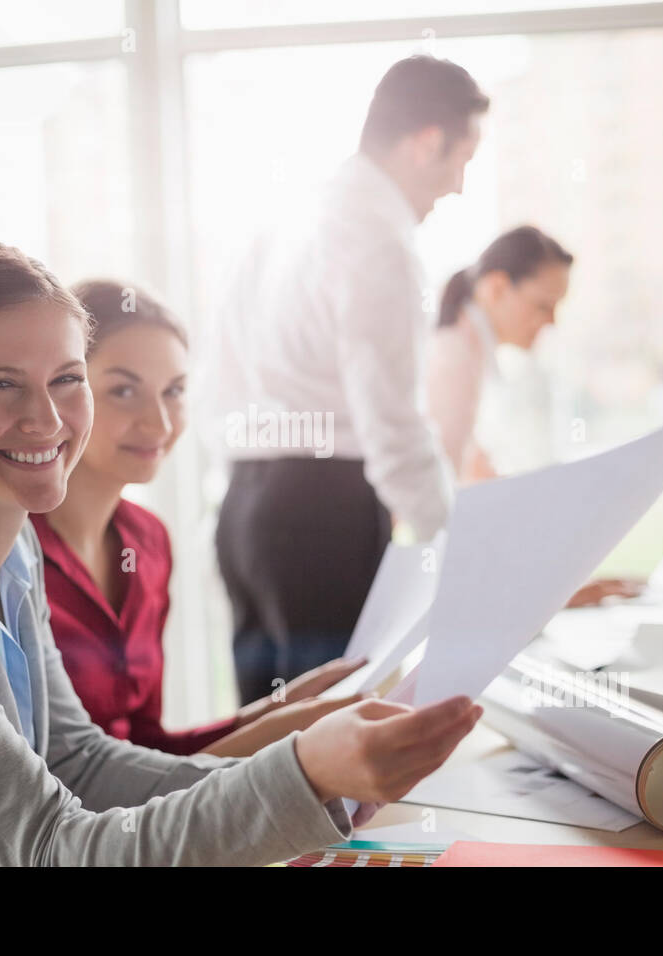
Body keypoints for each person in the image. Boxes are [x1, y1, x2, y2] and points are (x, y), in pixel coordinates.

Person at [0, 241, 481, 866]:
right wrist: (303, 774)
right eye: (1, 385)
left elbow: (78, 762)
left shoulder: (8, 547)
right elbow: (51, 847)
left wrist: (308, 772)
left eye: (66, 380)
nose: (46, 420)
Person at [205, 55, 490, 704]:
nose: (459, 186)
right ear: (426, 143)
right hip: (323, 515)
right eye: (461, 160)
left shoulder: (285, 221)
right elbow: (391, 419)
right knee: (332, 746)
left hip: (245, 509)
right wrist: (452, 541)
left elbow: (217, 378)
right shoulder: (379, 241)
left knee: (261, 740)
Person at [30, 279, 365, 759]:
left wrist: (283, 709)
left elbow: (144, 748)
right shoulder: (9, 549)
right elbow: (66, 779)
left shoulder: (148, 541)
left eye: (174, 391)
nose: (160, 423)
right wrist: (290, 735)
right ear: (64, 391)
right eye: (124, 391)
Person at [427, 226, 642, 608]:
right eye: (543, 305)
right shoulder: (454, 359)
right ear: (496, 289)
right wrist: (545, 592)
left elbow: (482, 484)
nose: (552, 322)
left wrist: (557, 582)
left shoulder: (467, 356)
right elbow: (448, 507)